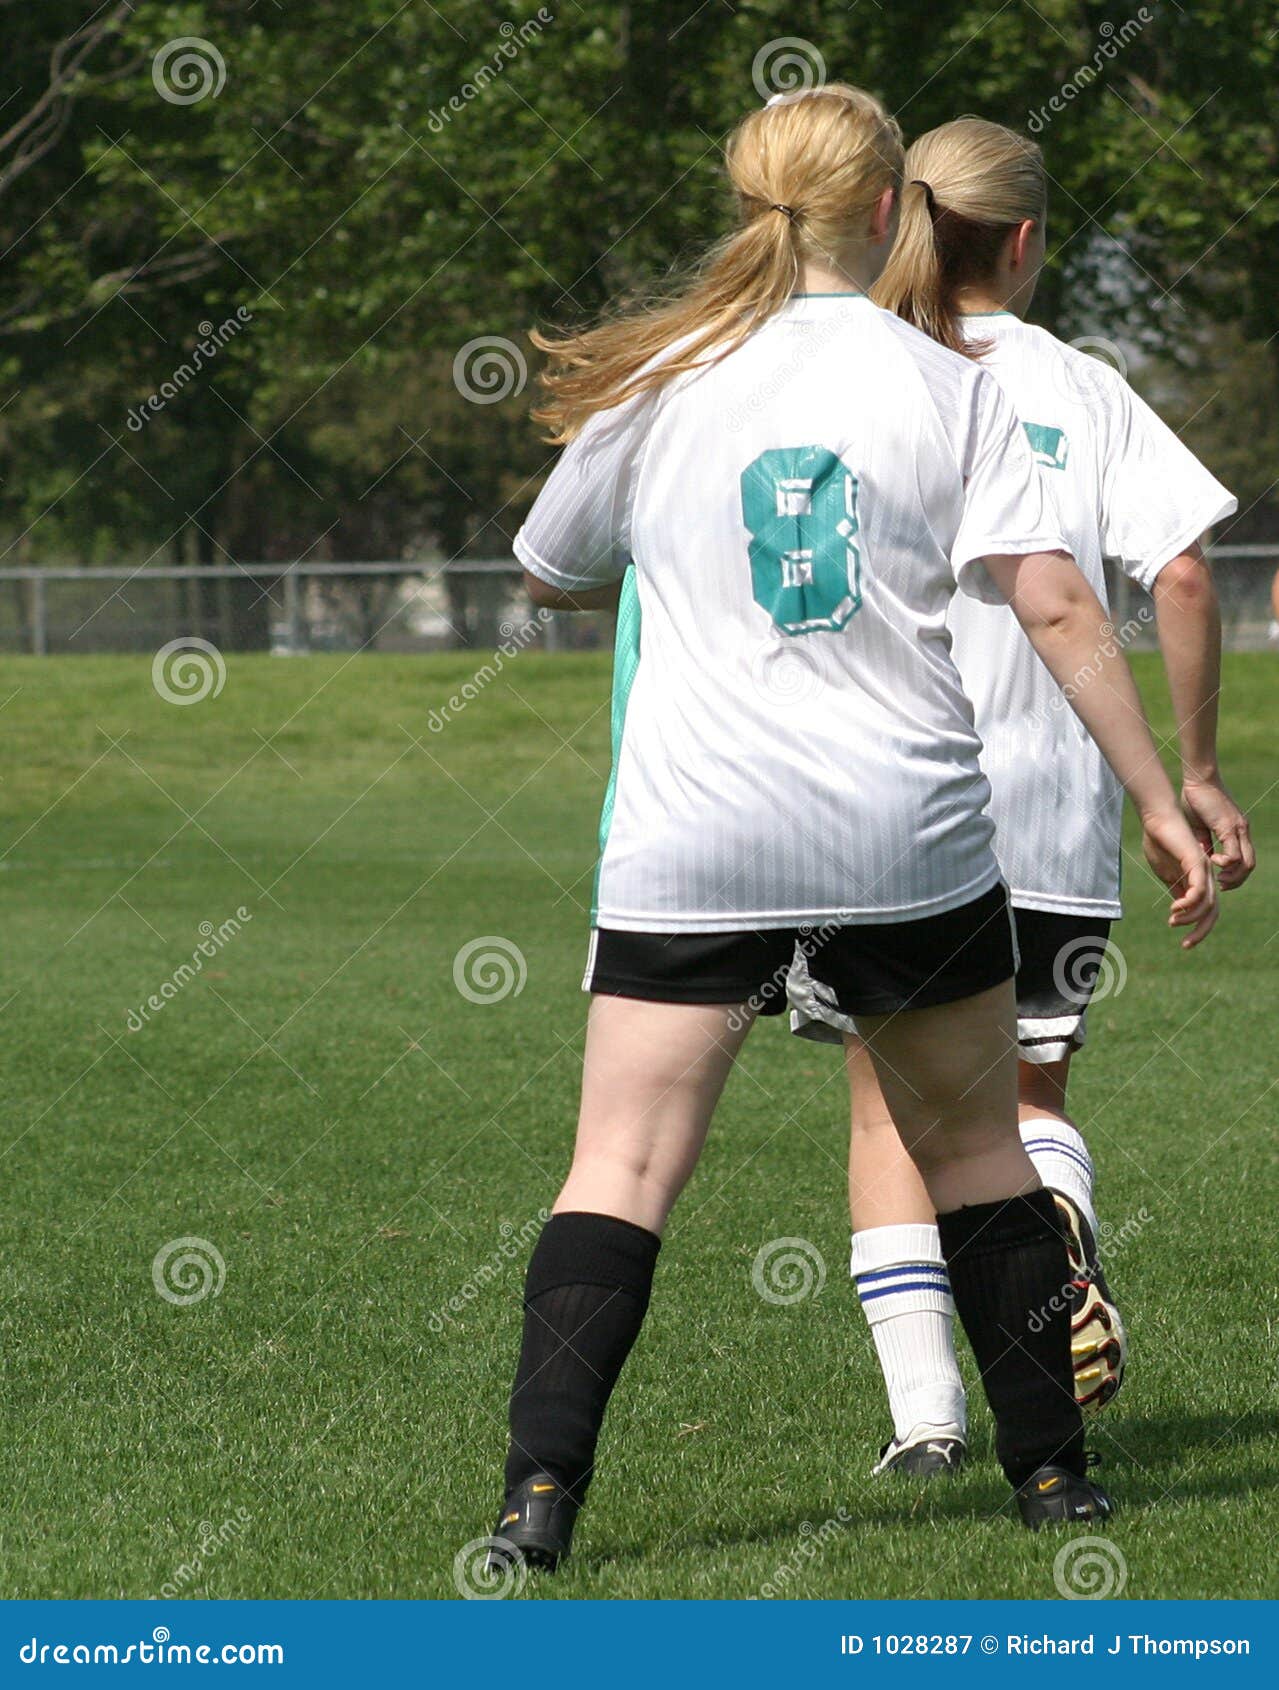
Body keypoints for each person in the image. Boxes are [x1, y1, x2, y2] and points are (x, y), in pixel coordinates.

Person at [484, 84, 1216, 1571]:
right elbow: (1060, 600)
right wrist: (1160, 792)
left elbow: (548, 570)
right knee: (978, 1160)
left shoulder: (662, 378)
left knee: (618, 1171)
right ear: (890, 211)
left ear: (754, 205)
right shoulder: (952, 385)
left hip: (696, 837)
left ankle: (536, 1506)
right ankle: (1056, 1487)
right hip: (911, 837)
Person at [789, 117, 1252, 1478]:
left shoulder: (857, 379)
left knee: (888, 1107)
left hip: (880, 803)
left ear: (895, 215)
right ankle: (1056, 1257)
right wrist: (1197, 768)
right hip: (1052, 802)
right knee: (1027, 1091)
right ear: (1030, 239)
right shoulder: (1083, 387)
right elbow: (1176, 572)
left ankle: (926, 1423)